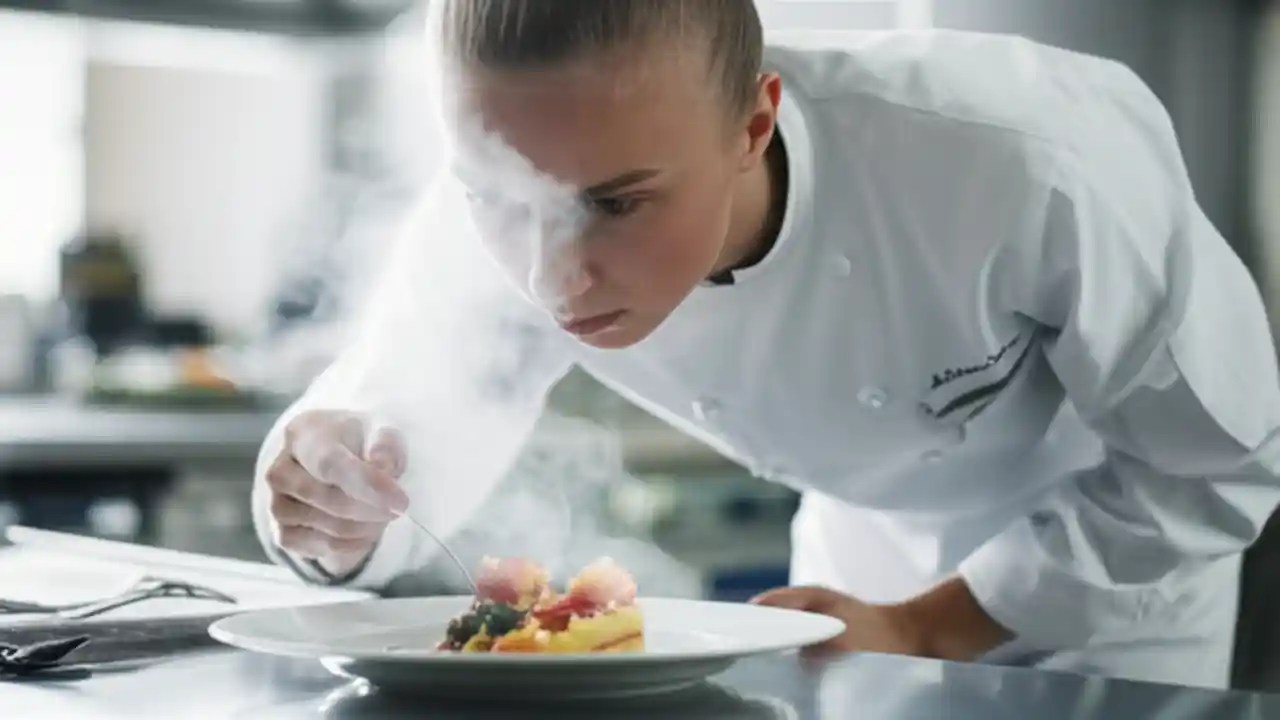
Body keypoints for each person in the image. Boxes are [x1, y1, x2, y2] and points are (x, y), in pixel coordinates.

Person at [251, 0, 1280, 688]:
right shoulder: (496, 204)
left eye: (617, 204)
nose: (548, 274)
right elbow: (401, 426)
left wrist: (929, 626)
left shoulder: (1026, 157)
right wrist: (330, 510)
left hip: (1113, 580)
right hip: (856, 577)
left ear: (752, 127)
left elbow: (1217, 460)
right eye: (496, 197)